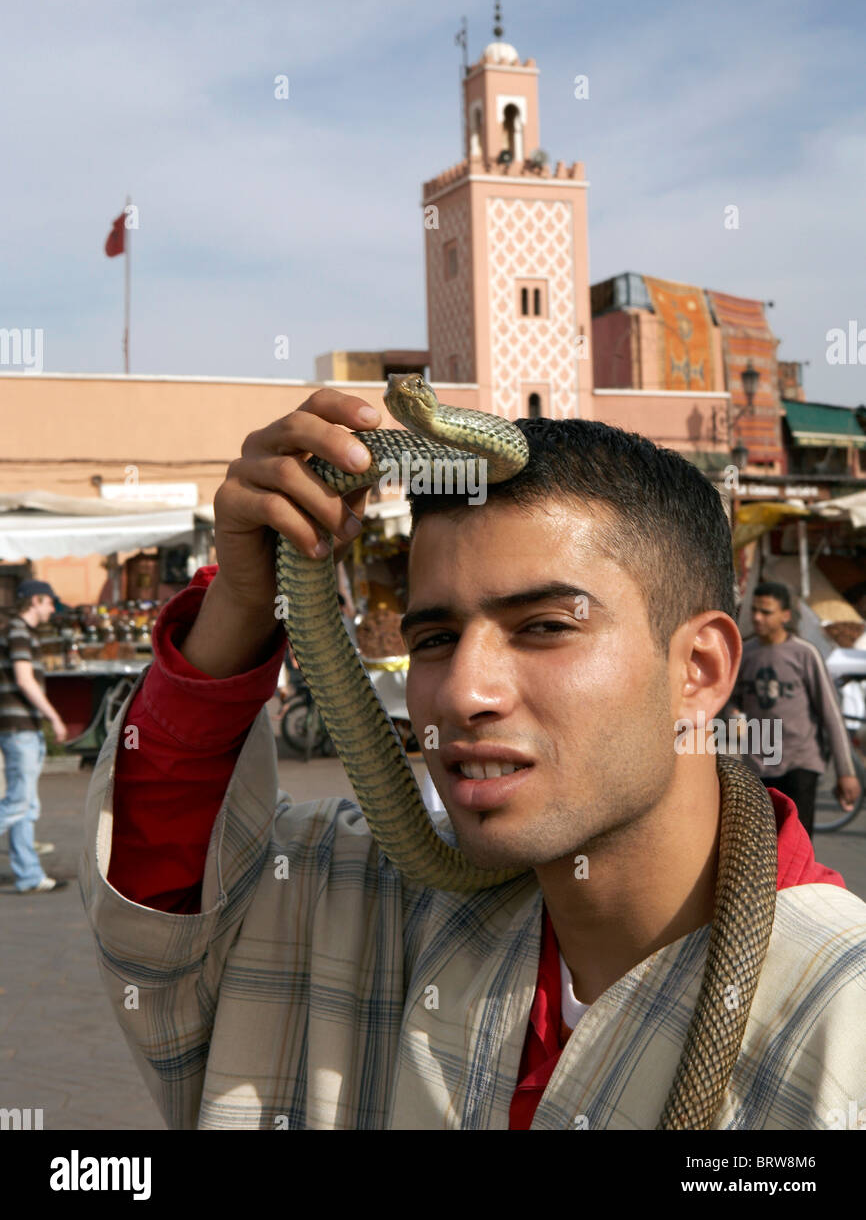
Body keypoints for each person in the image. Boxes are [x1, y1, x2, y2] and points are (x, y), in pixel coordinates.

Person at [80, 389, 866, 1130]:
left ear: (697, 670)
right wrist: (244, 606)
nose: (463, 692)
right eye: (434, 640)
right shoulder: (384, 901)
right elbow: (168, 904)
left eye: (546, 626)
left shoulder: (837, 1013)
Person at [728, 581, 860, 837]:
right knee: (762, 843)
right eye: (754, 610)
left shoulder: (804, 654)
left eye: (766, 612)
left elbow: (831, 714)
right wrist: (733, 715)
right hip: (758, 765)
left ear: (785, 616)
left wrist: (846, 773)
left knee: (796, 842)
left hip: (799, 763)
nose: (757, 617)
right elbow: (729, 699)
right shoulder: (745, 654)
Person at [0, 580, 69, 893]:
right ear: (35, 601)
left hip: (24, 727)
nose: (52, 609)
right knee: (17, 803)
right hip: (19, 729)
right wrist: (54, 716)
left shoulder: (22, 632)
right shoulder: (18, 631)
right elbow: (25, 680)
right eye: (49, 602)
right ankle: (29, 875)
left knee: (25, 807)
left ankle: (29, 875)